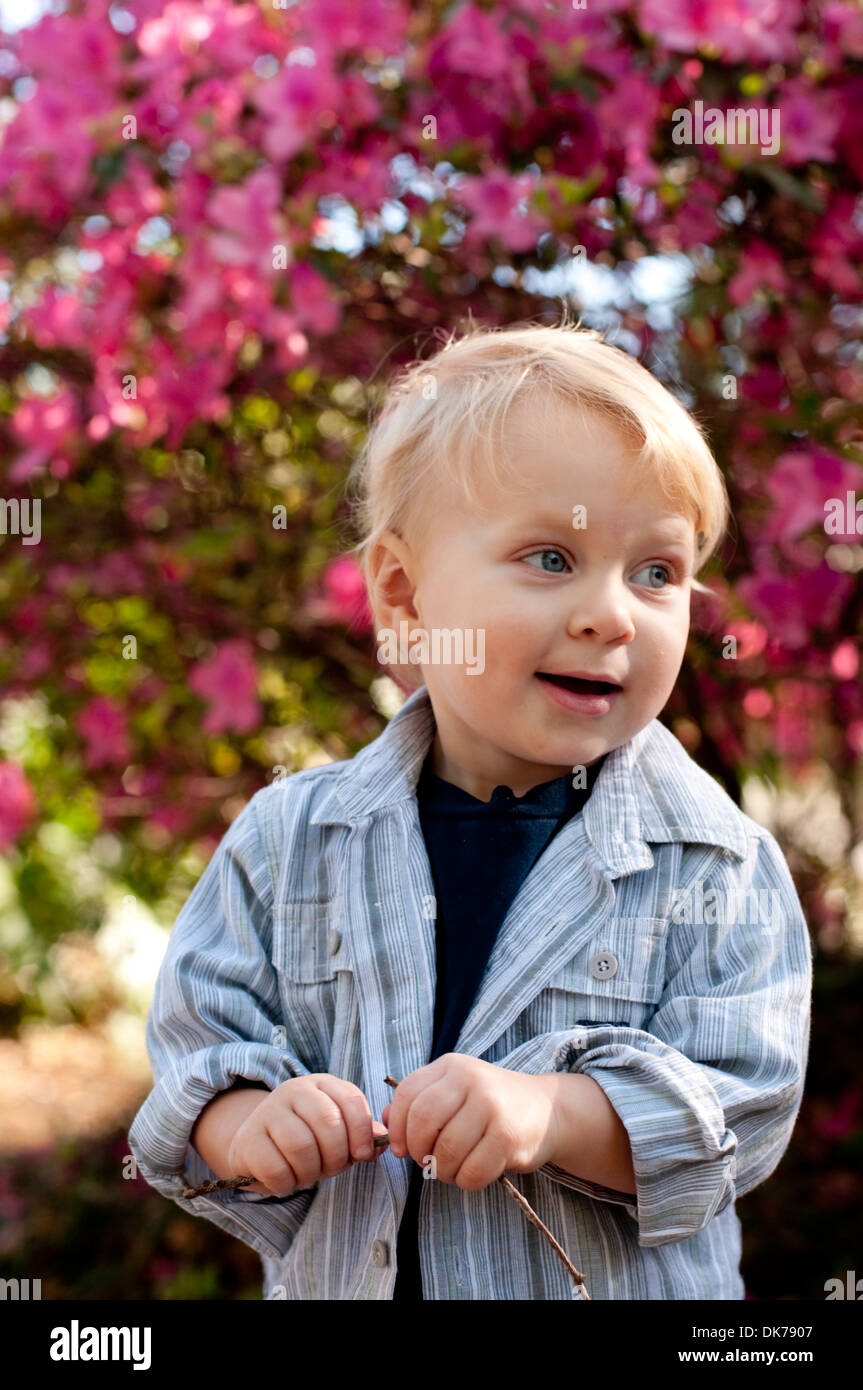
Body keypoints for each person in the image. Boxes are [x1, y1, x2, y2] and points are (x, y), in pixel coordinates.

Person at [128, 319, 813, 1300]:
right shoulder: (288, 844)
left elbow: (741, 1107)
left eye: (655, 572)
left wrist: (551, 1111)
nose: (612, 613)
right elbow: (198, 1050)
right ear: (404, 594)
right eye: (548, 556)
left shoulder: (713, 863)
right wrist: (250, 1124)